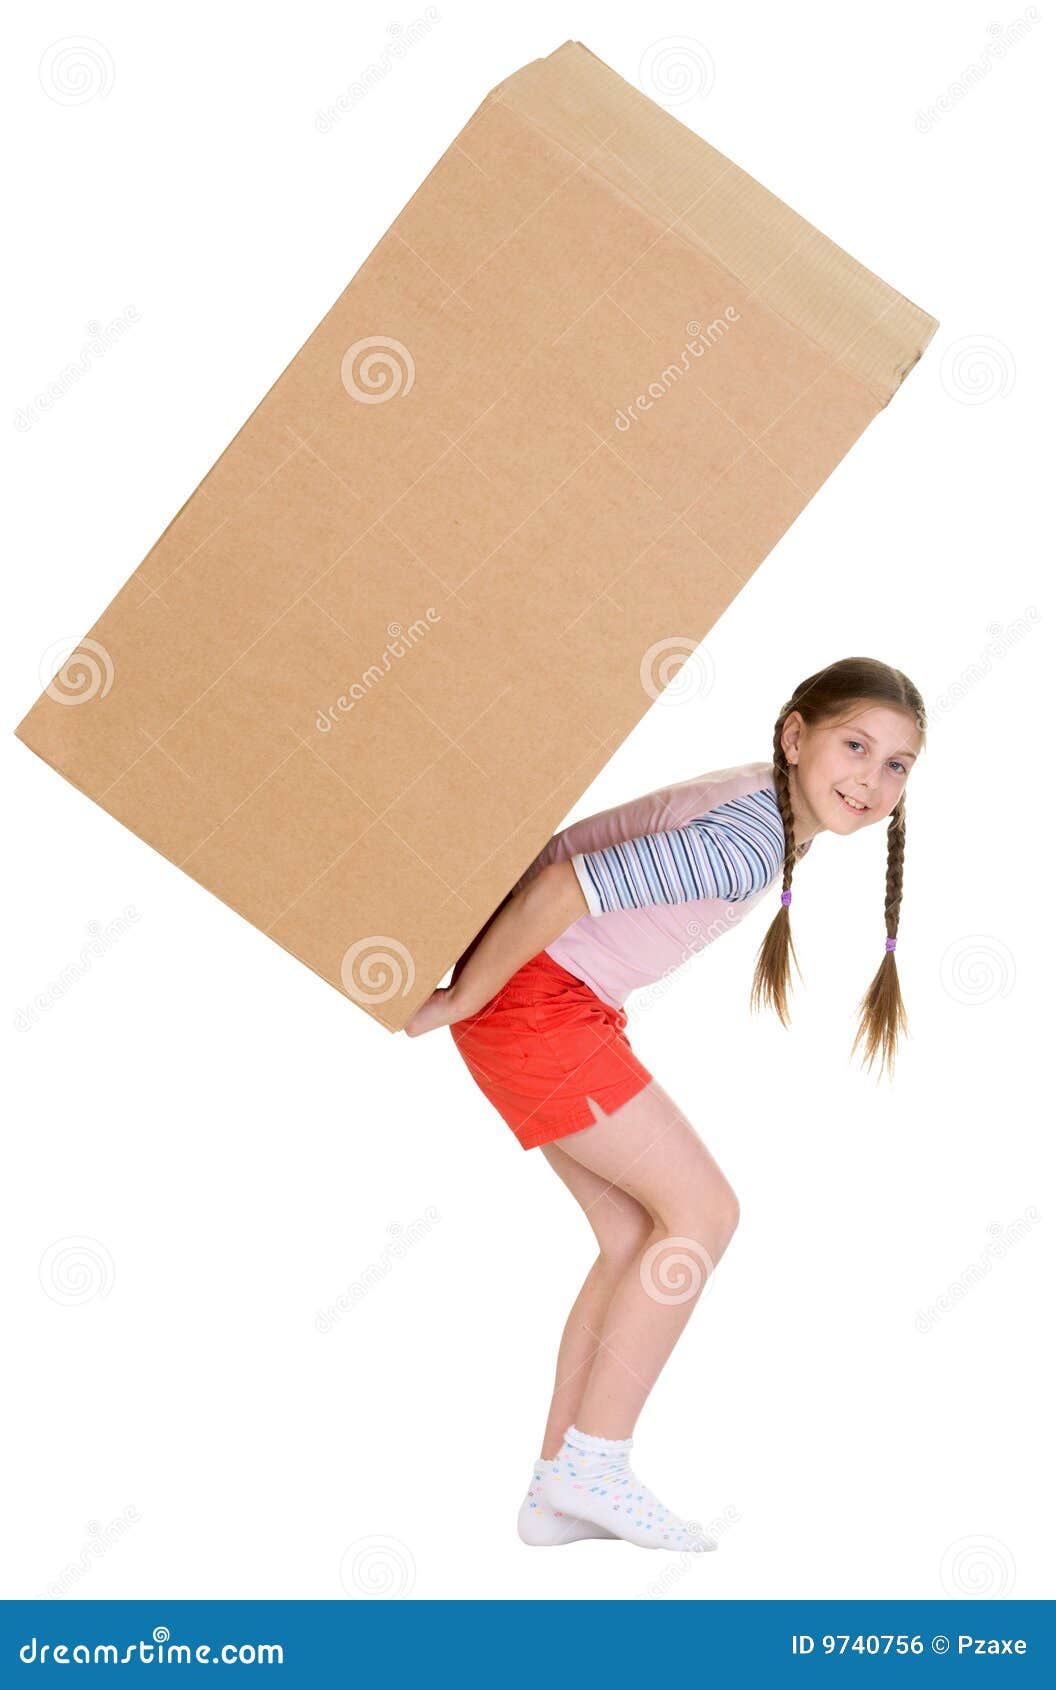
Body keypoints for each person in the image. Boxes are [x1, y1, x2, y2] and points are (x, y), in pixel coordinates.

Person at [404, 657, 926, 1549]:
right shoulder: (749, 839)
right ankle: (596, 1464)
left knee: (633, 1236)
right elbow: (564, 887)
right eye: (854, 746)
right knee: (704, 1214)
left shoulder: (762, 807)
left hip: (551, 1005)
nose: (871, 780)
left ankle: (556, 1492)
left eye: (896, 765)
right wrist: (465, 997)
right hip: (537, 1005)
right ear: (795, 736)